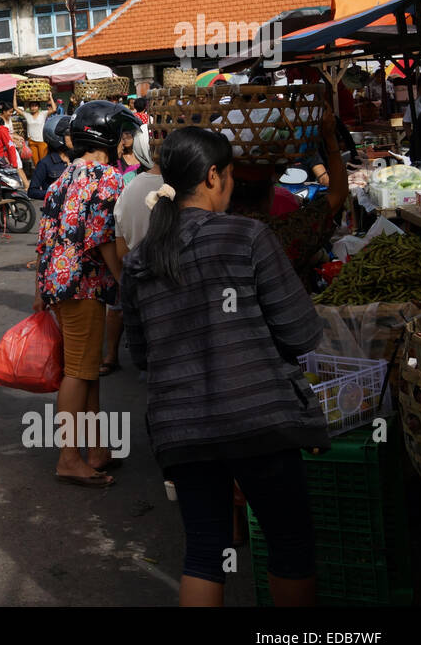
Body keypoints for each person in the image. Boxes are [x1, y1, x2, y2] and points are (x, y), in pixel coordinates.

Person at [121, 126, 328, 606]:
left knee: (204, 553)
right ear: (214, 176)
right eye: (230, 175)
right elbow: (302, 333)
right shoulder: (248, 236)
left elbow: (142, 356)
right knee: (290, 545)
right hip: (260, 419)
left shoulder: (139, 260)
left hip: (182, 427)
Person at [34, 100, 138, 486]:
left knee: (87, 369)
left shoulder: (62, 178)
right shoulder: (107, 178)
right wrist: (125, 282)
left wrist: (39, 289)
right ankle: (68, 458)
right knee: (78, 373)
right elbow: (103, 239)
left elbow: (44, 239)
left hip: (61, 286)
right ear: (107, 136)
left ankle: (94, 450)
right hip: (85, 284)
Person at [227, 108, 347, 284]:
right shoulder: (284, 233)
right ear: (269, 192)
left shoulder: (210, 232)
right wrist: (331, 141)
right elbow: (337, 195)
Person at [101, 123, 158, 375]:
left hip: (134, 276)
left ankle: (111, 355)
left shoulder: (126, 188)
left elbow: (121, 250)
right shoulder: (183, 188)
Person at [28, 114, 72, 200]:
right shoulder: (45, 163)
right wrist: (55, 194)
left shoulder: (76, 159)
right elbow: (32, 192)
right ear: (57, 137)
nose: (73, 138)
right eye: (69, 134)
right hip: (55, 211)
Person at [15, 99, 50, 164]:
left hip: (42, 141)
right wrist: (14, 95)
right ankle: (38, 174)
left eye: (35, 106)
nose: (33, 108)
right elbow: (15, 107)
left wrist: (50, 96)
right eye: (32, 106)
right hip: (31, 142)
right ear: (29, 107)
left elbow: (54, 109)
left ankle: (44, 174)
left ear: (39, 107)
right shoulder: (27, 114)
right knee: (35, 162)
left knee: (43, 161)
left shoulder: (43, 113)